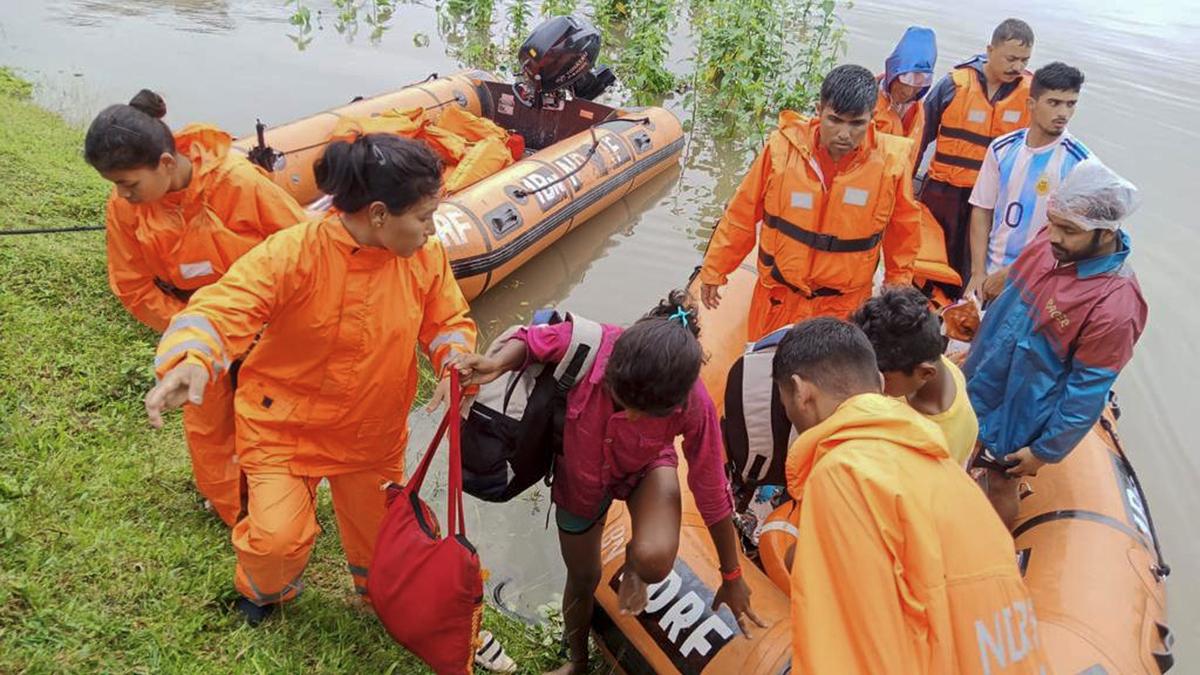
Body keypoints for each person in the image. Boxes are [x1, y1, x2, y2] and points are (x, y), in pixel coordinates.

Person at [143, 134, 477, 626]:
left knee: (381, 539)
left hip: (371, 435)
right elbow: (226, 305)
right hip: (285, 429)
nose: (431, 231)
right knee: (277, 538)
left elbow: (447, 321)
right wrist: (192, 356)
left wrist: (455, 363)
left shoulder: (425, 260)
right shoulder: (294, 252)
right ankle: (263, 593)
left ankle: (378, 596)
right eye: (424, 218)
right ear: (379, 214)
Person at [456, 291, 762, 675]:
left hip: (647, 469)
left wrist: (731, 574)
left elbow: (712, 488)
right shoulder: (594, 343)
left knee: (654, 558)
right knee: (582, 577)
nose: (632, 416)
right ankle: (577, 662)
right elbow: (532, 341)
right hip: (580, 480)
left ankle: (635, 569)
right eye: (622, 401)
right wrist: (494, 364)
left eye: (646, 412)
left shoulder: (693, 400)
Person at [773, 318, 1049, 673]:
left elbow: (857, 651)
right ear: (877, 382)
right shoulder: (942, 466)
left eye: (785, 404)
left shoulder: (844, 473)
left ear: (800, 391)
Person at [84, 90, 307, 526]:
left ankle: (279, 502)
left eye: (129, 183)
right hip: (194, 326)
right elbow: (131, 285)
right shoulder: (125, 209)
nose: (123, 195)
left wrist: (264, 323)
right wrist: (193, 328)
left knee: (271, 415)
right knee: (207, 421)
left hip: (265, 322)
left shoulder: (239, 183)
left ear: (166, 164)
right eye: (116, 185)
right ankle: (228, 506)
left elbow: (302, 248)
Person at [964, 160, 1147, 526]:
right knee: (962, 447)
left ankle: (999, 550)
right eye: (1055, 223)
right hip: (985, 374)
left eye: (1070, 231)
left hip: (1021, 408)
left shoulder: (1115, 305)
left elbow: (1087, 391)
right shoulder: (1051, 243)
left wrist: (1045, 451)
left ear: (1106, 232)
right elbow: (1013, 282)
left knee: (1000, 481)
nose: (1055, 236)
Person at [699, 64, 922, 341]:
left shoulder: (890, 164)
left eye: (856, 124)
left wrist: (897, 290)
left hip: (843, 307)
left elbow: (903, 234)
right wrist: (715, 268)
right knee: (764, 375)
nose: (844, 134)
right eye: (835, 120)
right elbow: (742, 212)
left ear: (872, 118)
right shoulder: (782, 150)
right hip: (777, 299)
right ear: (819, 111)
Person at [919, 19, 1034, 287]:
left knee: (975, 266)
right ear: (990, 50)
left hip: (992, 200)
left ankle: (965, 315)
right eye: (1010, 58)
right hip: (944, 191)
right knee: (931, 258)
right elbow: (920, 139)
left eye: (1024, 60)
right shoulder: (953, 85)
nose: (1017, 67)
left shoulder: (1031, 95)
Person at [965, 62, 1091, 301]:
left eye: (1071, 104)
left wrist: (1013, 274)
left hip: (1041, 284)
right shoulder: (1002, 148)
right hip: (990, 274)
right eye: (1054, 103)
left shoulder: (1081, 164)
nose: (1063, 113)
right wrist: (978, 272)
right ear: (1031, 104)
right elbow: (982, 209)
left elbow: (1073, 239)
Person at [852, 287, 979, 466]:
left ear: (926, 373)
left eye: (883, 378)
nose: (871, 383)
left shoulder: (939, 443)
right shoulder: (926, 354)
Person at [874, 26, 938, 169]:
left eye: (920, 82)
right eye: (905, 79)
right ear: (893, 71)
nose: (909, 91)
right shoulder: (865, 99)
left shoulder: (917, 110)